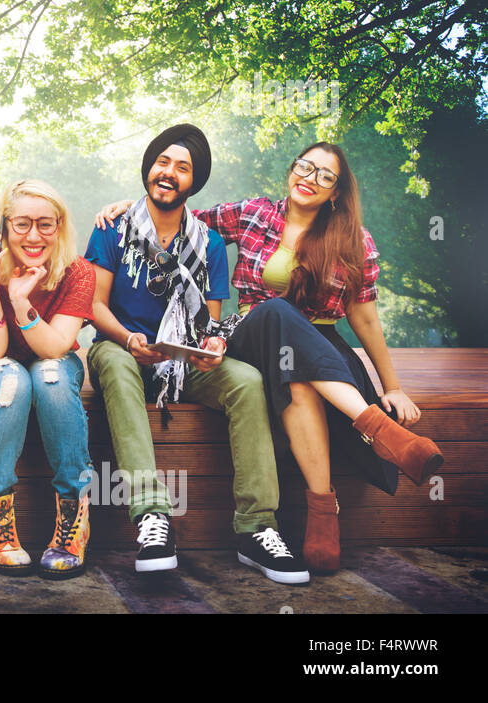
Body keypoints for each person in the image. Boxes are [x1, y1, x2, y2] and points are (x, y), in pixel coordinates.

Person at [100, 142, 444, 572]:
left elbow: (366, 320)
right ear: (292, 170)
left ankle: (323, 511)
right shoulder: (254, 214)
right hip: (250, 334)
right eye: (305, 166)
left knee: (297, 374)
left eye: (324, 175)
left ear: (336, 192)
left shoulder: (354, 240)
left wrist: (392, 386)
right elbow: (178, 218)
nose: (310, 178)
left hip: (320, 350)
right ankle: (384, 432)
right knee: (276, 311)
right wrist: (129, 210)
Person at [85, 123, 308, 585]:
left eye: (182, 168)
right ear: (148, 169)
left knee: (246, 380)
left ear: (194, 181)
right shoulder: (113, 227)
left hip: (180, 363)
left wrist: (211, 345)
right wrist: (129, 338)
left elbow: (207, 320)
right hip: (125, 350)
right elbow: (94, 305)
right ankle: (151, 517)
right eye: (162, 162)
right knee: (110, 358)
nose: (169, 173)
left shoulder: (207, 243)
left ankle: (256, 526)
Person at [0, 180, 96, 578]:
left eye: (46, 225)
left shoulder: (78, 272)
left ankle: (73, 518)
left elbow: (56, 347)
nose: (34, 236)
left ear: (60, 226)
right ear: (4, 224)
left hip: (49, 357)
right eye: (23, 224)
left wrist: (20, 301)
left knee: (48, 376)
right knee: (11, 378)